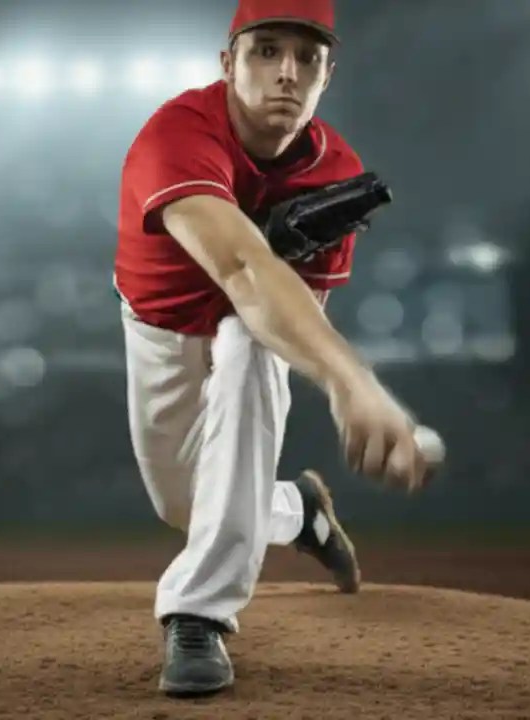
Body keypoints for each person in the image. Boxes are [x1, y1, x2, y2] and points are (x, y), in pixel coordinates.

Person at [114, 0, 433, 697]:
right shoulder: (177, 134)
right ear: (228, 64)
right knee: (182, 508)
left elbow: (278, 313)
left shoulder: (334, 174)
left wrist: (344, 375)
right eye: (266, 51)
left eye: (308, 56)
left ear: (328, 74)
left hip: (243, 329)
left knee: (253, 343)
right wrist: (356, 384)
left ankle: (199, 612)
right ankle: (297, 511)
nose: (287, 72)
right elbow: (241, 270)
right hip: (161, 326)